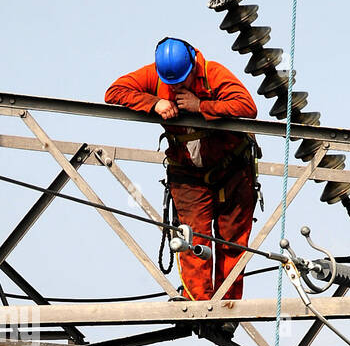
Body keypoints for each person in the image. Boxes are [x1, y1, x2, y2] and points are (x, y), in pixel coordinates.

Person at [105, 37, 259, 308]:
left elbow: (247, 107)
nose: (176, 87)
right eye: (171, 83)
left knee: (231, 243)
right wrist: (153, 103)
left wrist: (202, 107)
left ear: (192, 65)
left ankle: (226, 310)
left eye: (182, 81)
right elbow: (115, 91)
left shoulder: (212, 73)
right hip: (189, 174)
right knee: (191, 239)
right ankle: (199, 306)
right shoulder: (156, 75)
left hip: (232, 170)